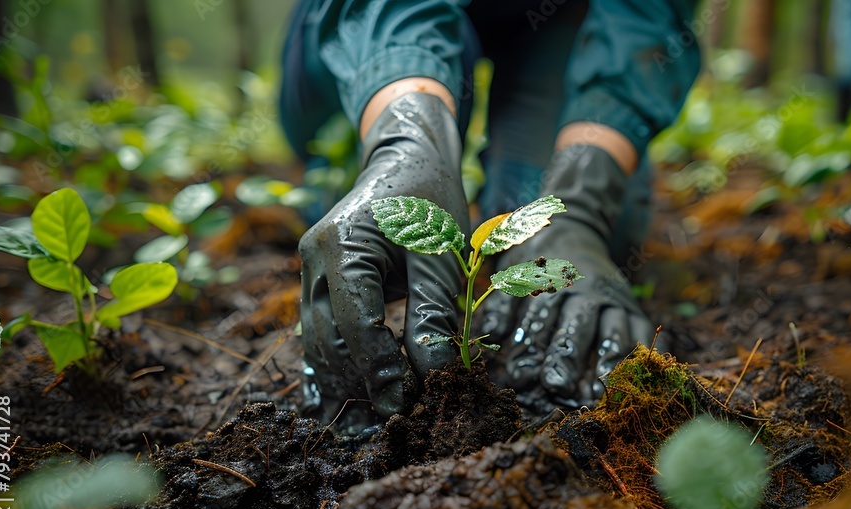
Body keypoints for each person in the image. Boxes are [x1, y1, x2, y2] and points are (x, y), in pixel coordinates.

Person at [279, 0, 701, 433]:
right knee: (353, 212)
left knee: (555, 220)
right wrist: (407, 136)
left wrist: (583, 207)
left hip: (560, 22)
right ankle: (369, 138)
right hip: (373, 19)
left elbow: (644, 17)